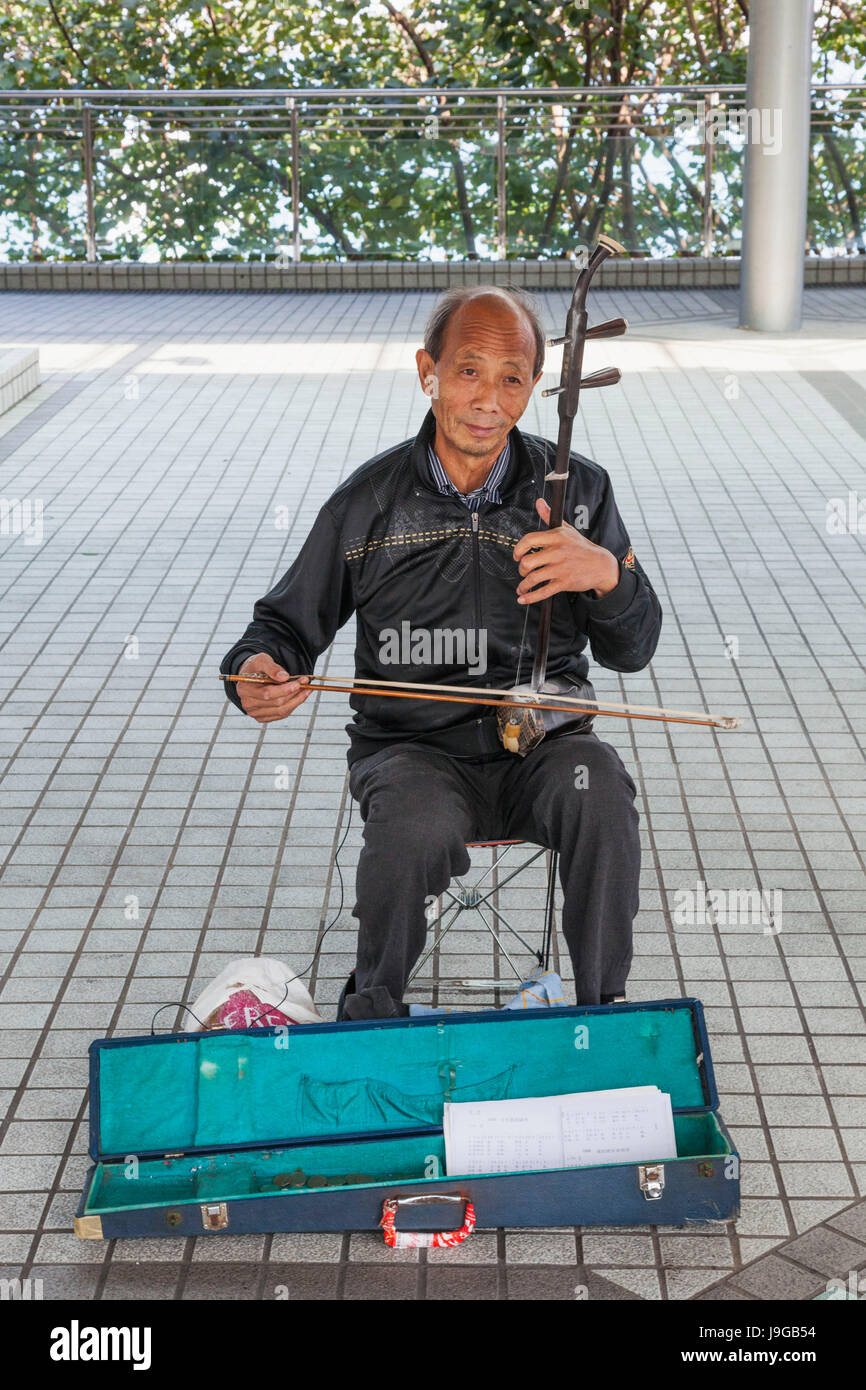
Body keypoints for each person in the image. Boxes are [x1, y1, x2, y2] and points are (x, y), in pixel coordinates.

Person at [220, 285, 662, 1019]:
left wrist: (609, 577)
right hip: (412, 748)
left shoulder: (576, 490)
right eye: (467, 370)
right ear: (427, 371)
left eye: (512, 376)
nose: (488, 398)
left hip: (544, 744)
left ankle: (604, 1011)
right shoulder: (367, 502)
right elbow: (280, 630)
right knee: (411, 827)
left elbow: (635, 647)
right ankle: (374, 1013)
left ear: (535, 384)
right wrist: (254, 674)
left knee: (602, 791)